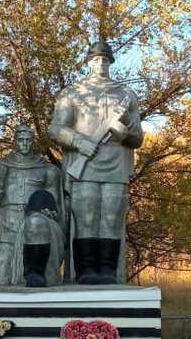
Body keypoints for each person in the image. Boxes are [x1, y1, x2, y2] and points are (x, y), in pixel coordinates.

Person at [48, 40, 143, 284]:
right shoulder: (73, 92)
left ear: (110, 62)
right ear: (88, 63)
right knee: (86, 217)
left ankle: (108, 271)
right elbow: (56, 129)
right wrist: (80, 142)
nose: (101, 63)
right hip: (84, 162)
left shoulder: (126, 94)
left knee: (111, 218)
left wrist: (126, 132)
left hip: (115, 164)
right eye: (96, 59)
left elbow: (138, 137)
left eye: (105, 59)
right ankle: (86, 271)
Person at [0, 125, 64, 287]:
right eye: (21, 140)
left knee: (36, 280)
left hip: (36, 233)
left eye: (28, 140)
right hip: (4, 234)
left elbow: (56, 209)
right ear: (14, 142)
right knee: (0, 280)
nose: (25, 144)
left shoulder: (48, 170)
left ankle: (34, 273)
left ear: (33, 142)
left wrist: (48, 213)